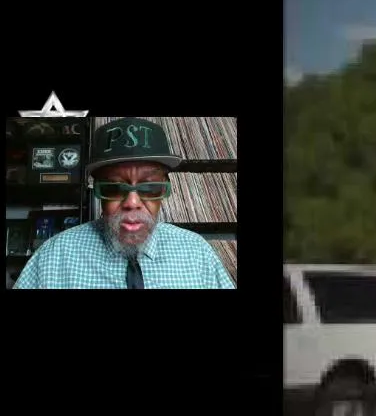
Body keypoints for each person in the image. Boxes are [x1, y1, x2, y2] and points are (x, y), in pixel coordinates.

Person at [14, 117, 235, 289]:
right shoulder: (53, 258)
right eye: (113, 188)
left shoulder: (198, 254)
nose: (132, 202)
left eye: (149, 187)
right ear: (97, 192)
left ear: (165, 189)